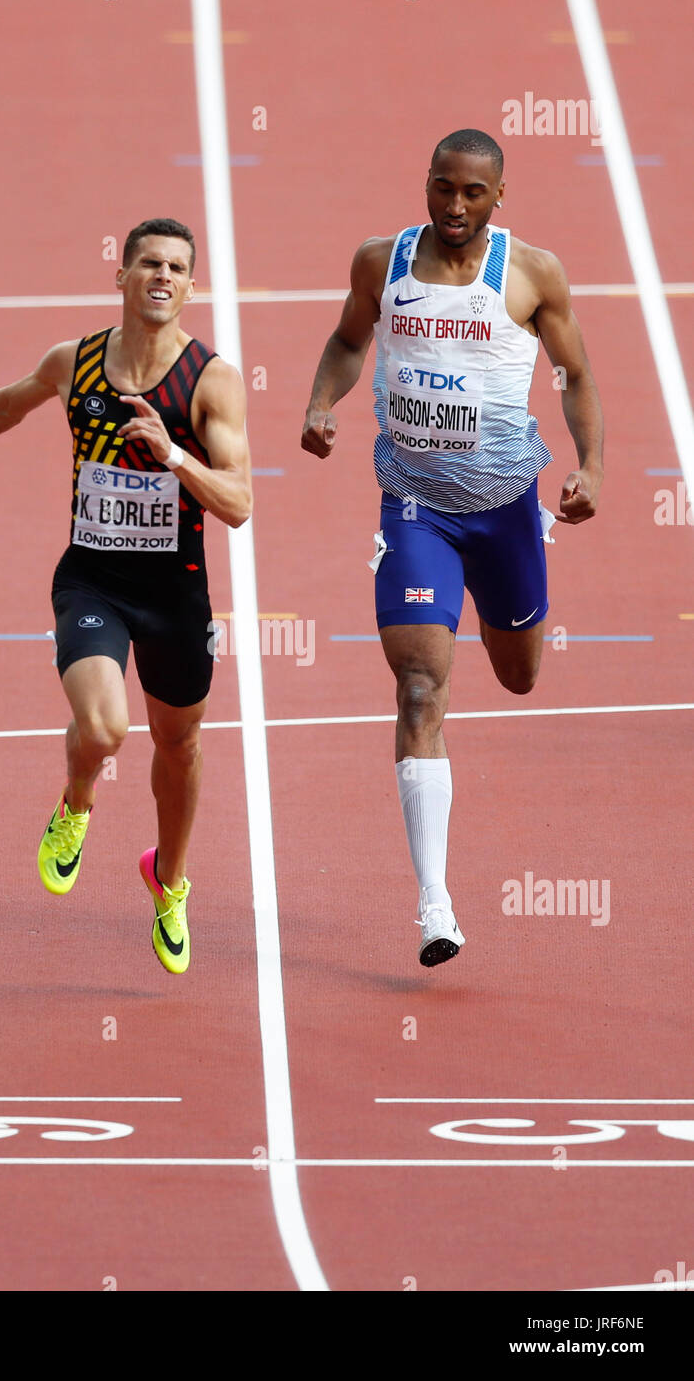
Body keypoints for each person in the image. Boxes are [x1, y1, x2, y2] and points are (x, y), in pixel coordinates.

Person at [0, 217, 253, 975]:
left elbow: (238, 503)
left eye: (177, 267)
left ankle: (168, 880)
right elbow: (5, 406)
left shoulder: (211, 380)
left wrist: (173, 453)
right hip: (94, 582)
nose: (162, 277)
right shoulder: (74, 362)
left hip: (175, 593)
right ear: (121, 274)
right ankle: (76, 803)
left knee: (178, 747)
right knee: (104, 728)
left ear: (191, 285)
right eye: (148, 263)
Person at [301, 130, 603, 967]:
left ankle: (508, 596)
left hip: (506, 510)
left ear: (499, 196)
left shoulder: (533, 273)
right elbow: (348, 341)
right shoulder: (380, 262)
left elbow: (577, 377)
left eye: (474, 193)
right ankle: (435, 903)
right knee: (419, 690)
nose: (456, 206)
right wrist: (323, 402)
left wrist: (594, 466)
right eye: (443, 189)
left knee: (518, 676)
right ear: (426, 185)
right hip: (414, 507)